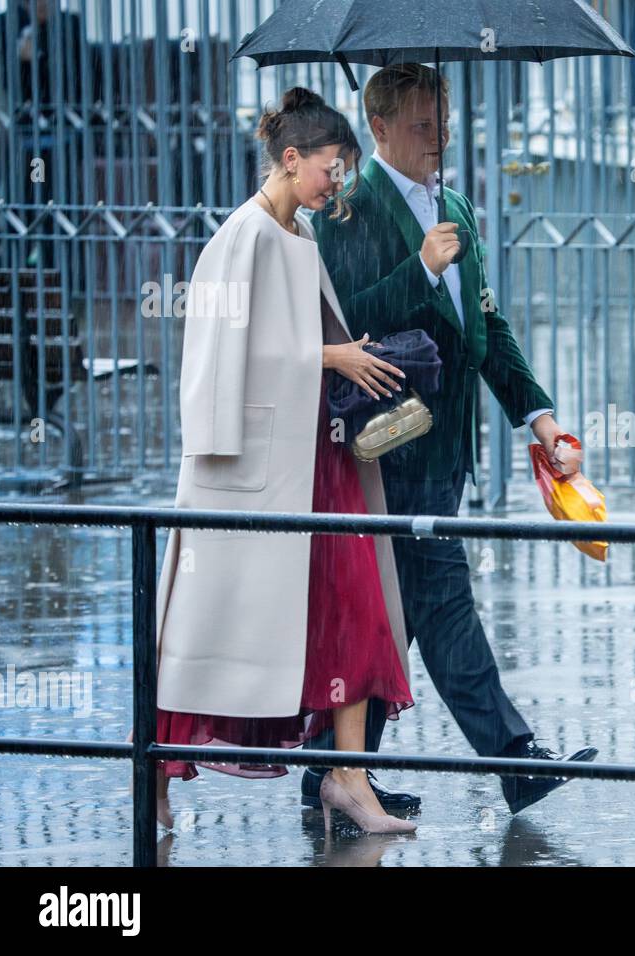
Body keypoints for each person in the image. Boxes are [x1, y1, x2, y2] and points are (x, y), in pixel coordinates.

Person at [312, 63, 597, 817]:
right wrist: (419, 267)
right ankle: (515, 759)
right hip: (385, 450)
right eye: (419, 122)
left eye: (443, 118)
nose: (438, 135)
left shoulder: (458, 208)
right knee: (440, 608)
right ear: (377, 128)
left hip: (447, 453)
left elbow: (486, 328)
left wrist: (540, 418)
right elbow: (346, 319)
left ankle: (329, 769)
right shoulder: (347, 209)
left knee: (398, 617)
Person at [151, 87, 417, 837]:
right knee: (203, 636)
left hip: (313, 462)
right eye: (332, 167)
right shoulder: (243, 236)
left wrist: (342, 355)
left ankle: (351, 781)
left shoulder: (293, 233)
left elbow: (283, 345)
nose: (339, 181)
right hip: (257, 474)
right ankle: (157, 779)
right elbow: (216, 359)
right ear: (291, 159)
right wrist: (329, 355)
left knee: (358, 616)